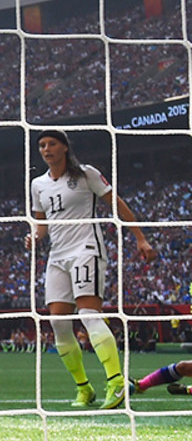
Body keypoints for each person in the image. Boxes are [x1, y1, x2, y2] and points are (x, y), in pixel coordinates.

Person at [26, 130, 156, 409]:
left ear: (64, 148)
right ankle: (84, 389)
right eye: (41, 145)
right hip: (57, 256)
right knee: (58, 324)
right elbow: (41, 225)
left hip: (86, 249)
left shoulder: (86, 174)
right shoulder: (38, 184)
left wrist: (139, 236)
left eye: (51, 144)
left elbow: (116, 203)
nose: (46, 149)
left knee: (88, 315)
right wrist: (34, 236)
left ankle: (117, 382)